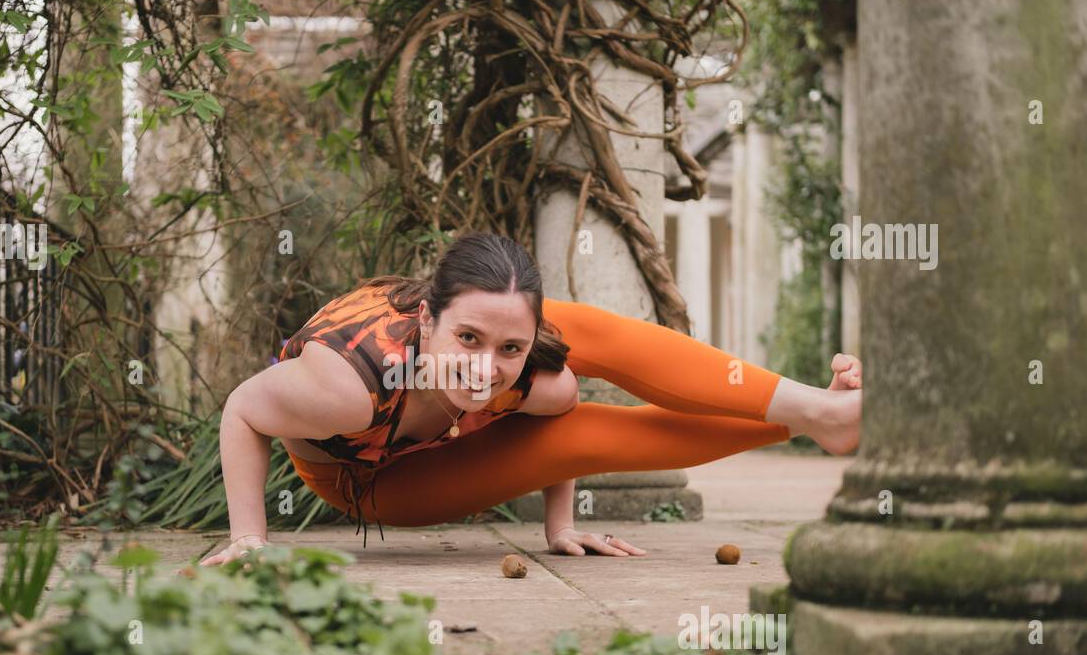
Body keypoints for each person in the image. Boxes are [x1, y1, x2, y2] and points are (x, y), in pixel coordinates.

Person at [201, 232, 862, 566]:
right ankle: (815, 419)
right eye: (466, 338)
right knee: (536, 377)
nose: (483, 370)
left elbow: (557, 430)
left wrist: (561, 523)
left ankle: (818, 416)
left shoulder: (518, 372)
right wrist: (249, 538)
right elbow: (243, 410)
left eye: (509, 349)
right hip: (365, 476)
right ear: (427, 319)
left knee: (563, 387)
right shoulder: (345, 386)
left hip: (463, 380)